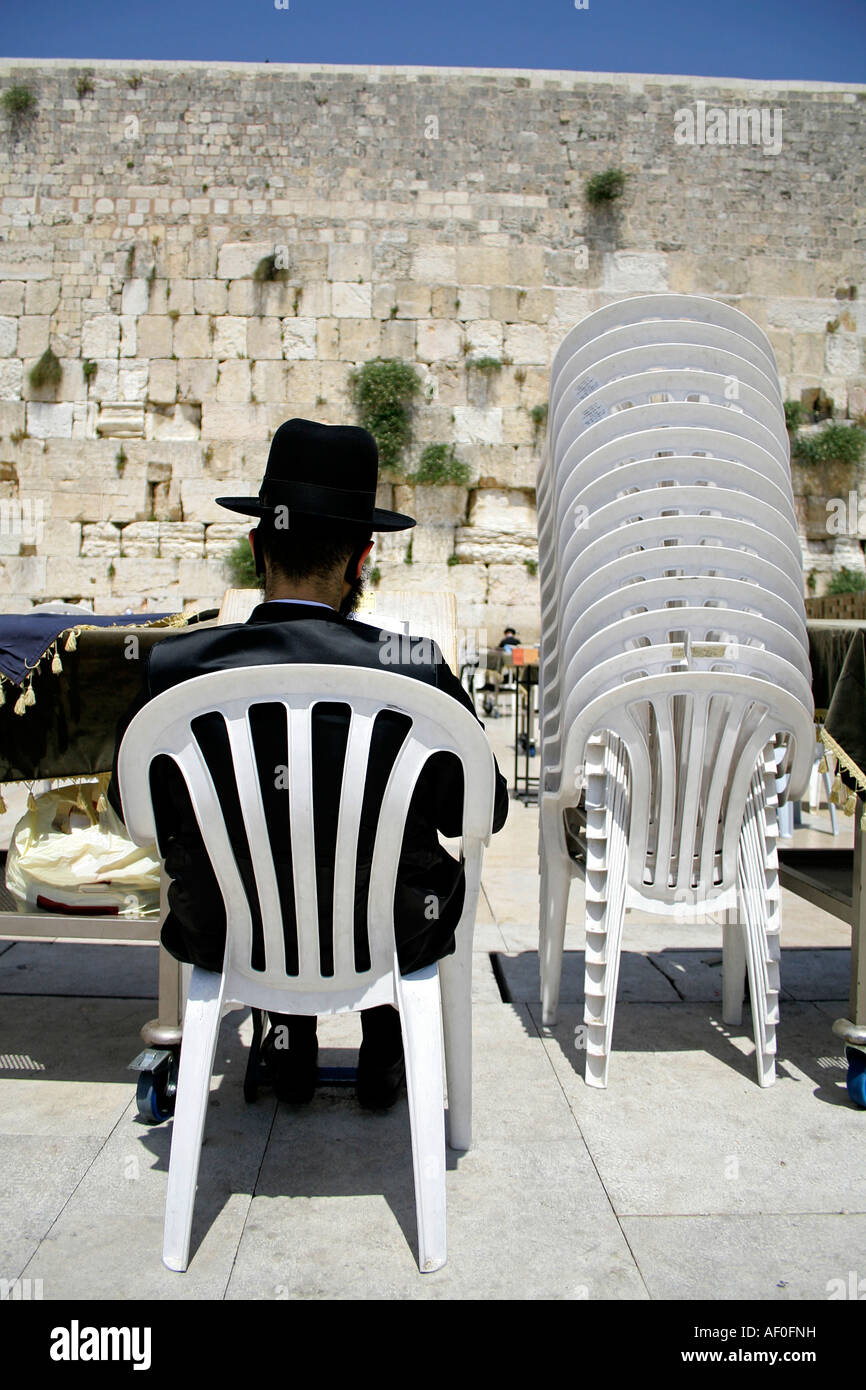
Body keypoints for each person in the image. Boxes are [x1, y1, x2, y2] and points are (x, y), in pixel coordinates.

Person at [108, 418, 509, 1110]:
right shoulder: (414, 672)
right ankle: (385, 1046)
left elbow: (133, 811)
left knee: (266, 857)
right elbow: (483, 810)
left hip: (229, 930)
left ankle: (287, 1044)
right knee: (384, 869)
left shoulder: (173, 672)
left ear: (257, 546)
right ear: (363, 560)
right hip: (390, 931)